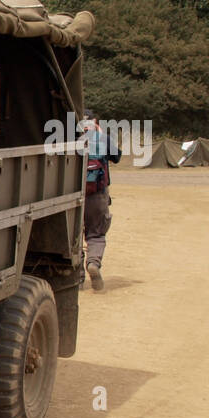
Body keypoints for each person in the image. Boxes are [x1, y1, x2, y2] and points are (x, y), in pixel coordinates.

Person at [83, 111, 120, 290]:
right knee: (96, 234)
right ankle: (93, 263)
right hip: (97, 194)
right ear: (94, 121)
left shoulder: (68, 136)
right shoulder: (102, 138)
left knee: (73, 237)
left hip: (73, 195)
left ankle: (76, 277)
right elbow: (117, 157)